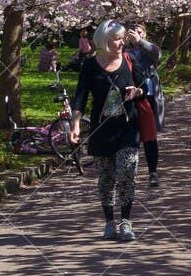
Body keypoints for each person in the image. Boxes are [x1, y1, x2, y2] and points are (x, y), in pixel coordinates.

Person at [69, 21, 147, 241]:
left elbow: (145, 88)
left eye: (123, 38)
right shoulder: (91, 66)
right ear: (104, 40)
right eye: (116, 38)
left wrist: (137, 91)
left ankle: (126, 223)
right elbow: (80, 97)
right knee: (106, 177)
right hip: (101, 128)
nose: (121, 42)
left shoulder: (130, 60)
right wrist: (75, 125)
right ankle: (109, 223)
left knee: (127, 172)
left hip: (128, 127)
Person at [126, 22, 163, 189]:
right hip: (129, 96)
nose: (135, 34)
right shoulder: (123, 49)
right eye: (132, 32)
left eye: (139, 32)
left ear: (145, 34)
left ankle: (152, 172)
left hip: (149, 96)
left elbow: (158, 54)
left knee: (150, 136)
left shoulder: (148, 48)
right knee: (131, 136)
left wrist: (140, 41)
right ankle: (128, 173)